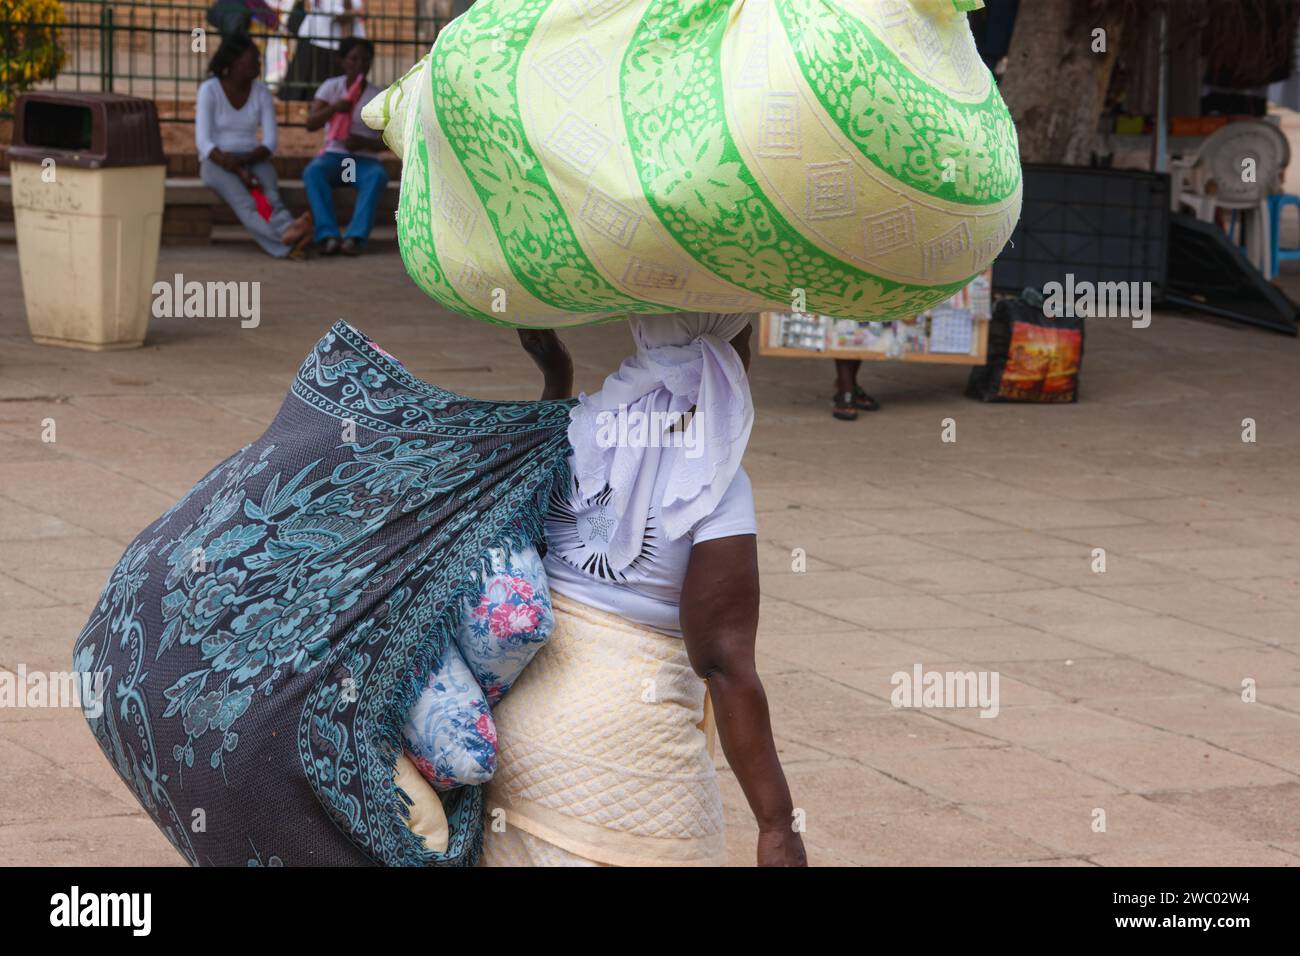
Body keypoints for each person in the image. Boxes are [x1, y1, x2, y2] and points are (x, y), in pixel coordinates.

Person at [485, 317, 808, 867]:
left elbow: (527, 506)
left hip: (515, 742)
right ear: (725, 353)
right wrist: (778, 825)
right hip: (626, 760)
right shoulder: (715, 479)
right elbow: (725, 663)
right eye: (744, 337)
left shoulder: (580, 426)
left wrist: (556, 378)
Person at [196, 32, 313, 259]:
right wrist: (234, 166)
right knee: (247, 204)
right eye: (253, 60)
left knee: (268, 197)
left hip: (253, 158)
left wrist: (245, 163)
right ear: (234, 62)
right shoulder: (209, 90)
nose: (258, 65)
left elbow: (270, 142)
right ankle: (287, 243)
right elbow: (203, 142)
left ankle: (291, 231)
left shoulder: (262, 93)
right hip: (216, 161)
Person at [302, 37, 388, 256]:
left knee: (377, 176)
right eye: (354, 59)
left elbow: (387, 140)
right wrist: (335, 109)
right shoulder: (331, 87)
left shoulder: (377, 95)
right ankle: (328, 235)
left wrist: (363, 142)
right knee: (313, 173)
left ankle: (354, 238)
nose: (359, 64)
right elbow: (311, 123)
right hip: (335, 157)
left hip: (363, 160)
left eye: (365, 60)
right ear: (342, 61)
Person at [279, 0, 363, 101]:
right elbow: (333, 12)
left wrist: (350, 13)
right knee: (308, 94)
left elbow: (356, 7)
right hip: (317, 42)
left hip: (337, 46)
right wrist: (350, 14)